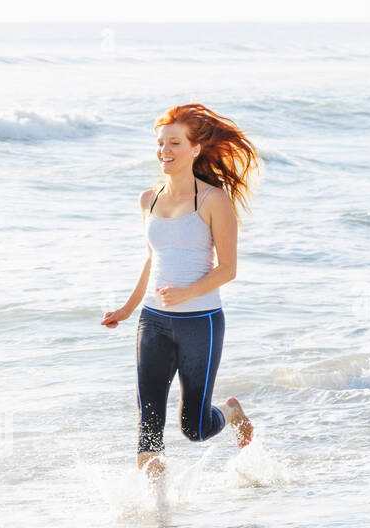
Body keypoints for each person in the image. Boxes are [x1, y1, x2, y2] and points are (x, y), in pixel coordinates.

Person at [102, 104, 259, 479]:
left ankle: (232, 412)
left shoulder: (213, 200)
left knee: (195, 427)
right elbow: (150, 260)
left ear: (195, 149)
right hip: (153, 323)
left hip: (200, 323)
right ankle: (157, 517)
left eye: (174, 142)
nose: (164, 151)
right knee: (149, 424)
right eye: (160, 143)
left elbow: (228, 269)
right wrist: (127, 309)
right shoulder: (149, 199)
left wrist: (186, 293)